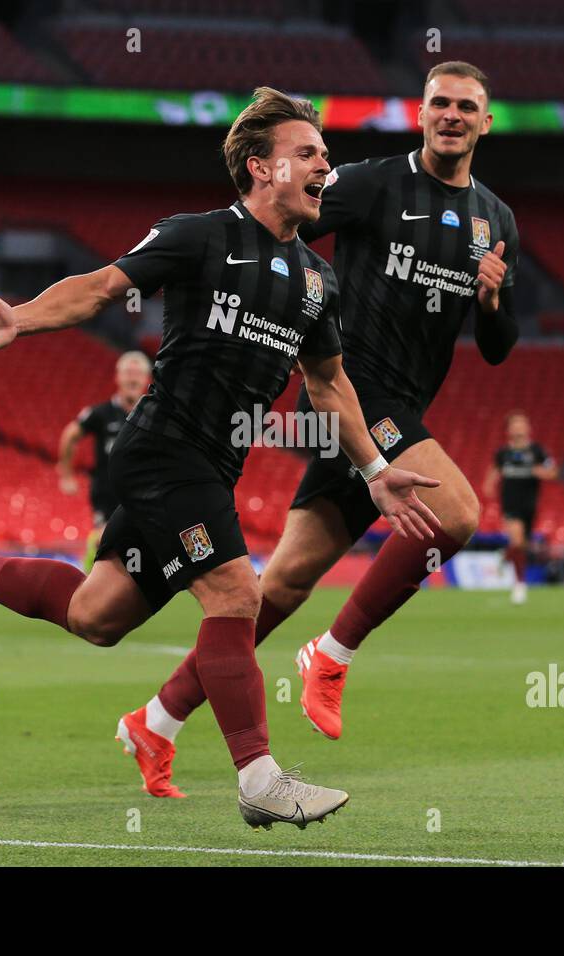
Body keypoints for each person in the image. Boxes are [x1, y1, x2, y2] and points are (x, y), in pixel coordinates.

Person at [0, 87, 441, 829]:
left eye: (325, 156)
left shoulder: (317, 281)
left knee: (96, 616)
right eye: (307, 154)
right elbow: (102, 288)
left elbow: (329, 384)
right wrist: (24, 319)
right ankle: (260, 779)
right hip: (162, 452)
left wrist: (374, 470)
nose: (324, 167)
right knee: (238, 595)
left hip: (213, 466)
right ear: (258, 166)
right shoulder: (198, 236)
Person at [127, 61, 519, 797]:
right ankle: (332, 656)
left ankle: (157, 719)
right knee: (457, 513)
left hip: (398, 410)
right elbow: (275, 214)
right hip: (349, 395)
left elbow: (497, 349)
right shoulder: (372, 184)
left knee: (278, 587)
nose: (452, 115)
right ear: (422, 113)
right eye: (439, 102)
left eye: (467, 106)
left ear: (485, 121)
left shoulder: (495, 222)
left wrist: (495, 304)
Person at [57, 351, 151, 569]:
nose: (133, 378)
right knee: (104, 538)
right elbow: (71, 435)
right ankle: (87, 577)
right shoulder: (101, 413)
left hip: (142, 492)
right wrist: (66, 474)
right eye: (128, 373)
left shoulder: (153, 415)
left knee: (141, 542)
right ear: (117, 377)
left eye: (138, 374)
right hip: (107, 492)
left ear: (147, 380)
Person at [484, 411, 556, 605]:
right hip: (510, 503)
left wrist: (540, 472)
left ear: (528, 428)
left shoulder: (537, 451)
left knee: (522, 545)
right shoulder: (503, 453)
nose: (518, 428)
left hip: (530, 504)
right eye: (514, 424)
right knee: (517, 542)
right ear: (508, 430)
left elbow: (553, 472)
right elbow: (492, 475)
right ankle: (519, 586)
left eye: (521, 424)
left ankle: (504, 556)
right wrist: (490, 485)